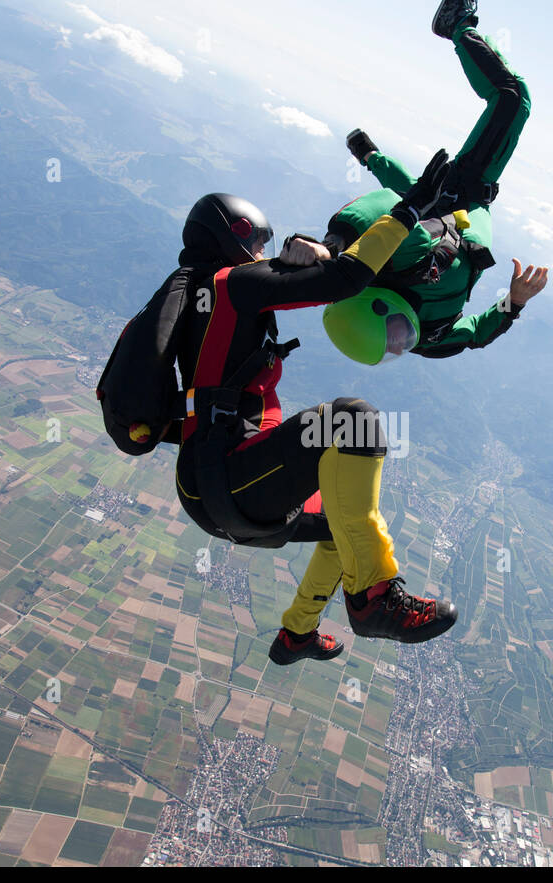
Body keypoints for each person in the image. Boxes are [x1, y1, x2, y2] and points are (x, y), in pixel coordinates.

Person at [110, 153, 462, 667]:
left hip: (214, 488)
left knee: (348, 519)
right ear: (235, 234)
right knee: (353, 418)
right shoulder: (234, 284)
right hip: (228, 482)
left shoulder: (196, 294)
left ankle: (297, 635)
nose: (262, 254)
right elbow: (345, 280)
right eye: (257, 243)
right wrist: (409, 212)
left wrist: (311, 250)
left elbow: (310, 275)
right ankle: (373, 601)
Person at [285, 0, 549, 364]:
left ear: (376, 304)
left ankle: (458, 25)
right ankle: (370, 156)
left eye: (394, 337)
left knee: (512, 98)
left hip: (463, 193)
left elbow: (375, 213)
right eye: (396, 348)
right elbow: (476, 333)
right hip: (457, 212)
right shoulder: (428, 338)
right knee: (418, 196)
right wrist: (513, 302)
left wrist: (332, 247)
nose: (402, 342)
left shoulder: (389, 263)